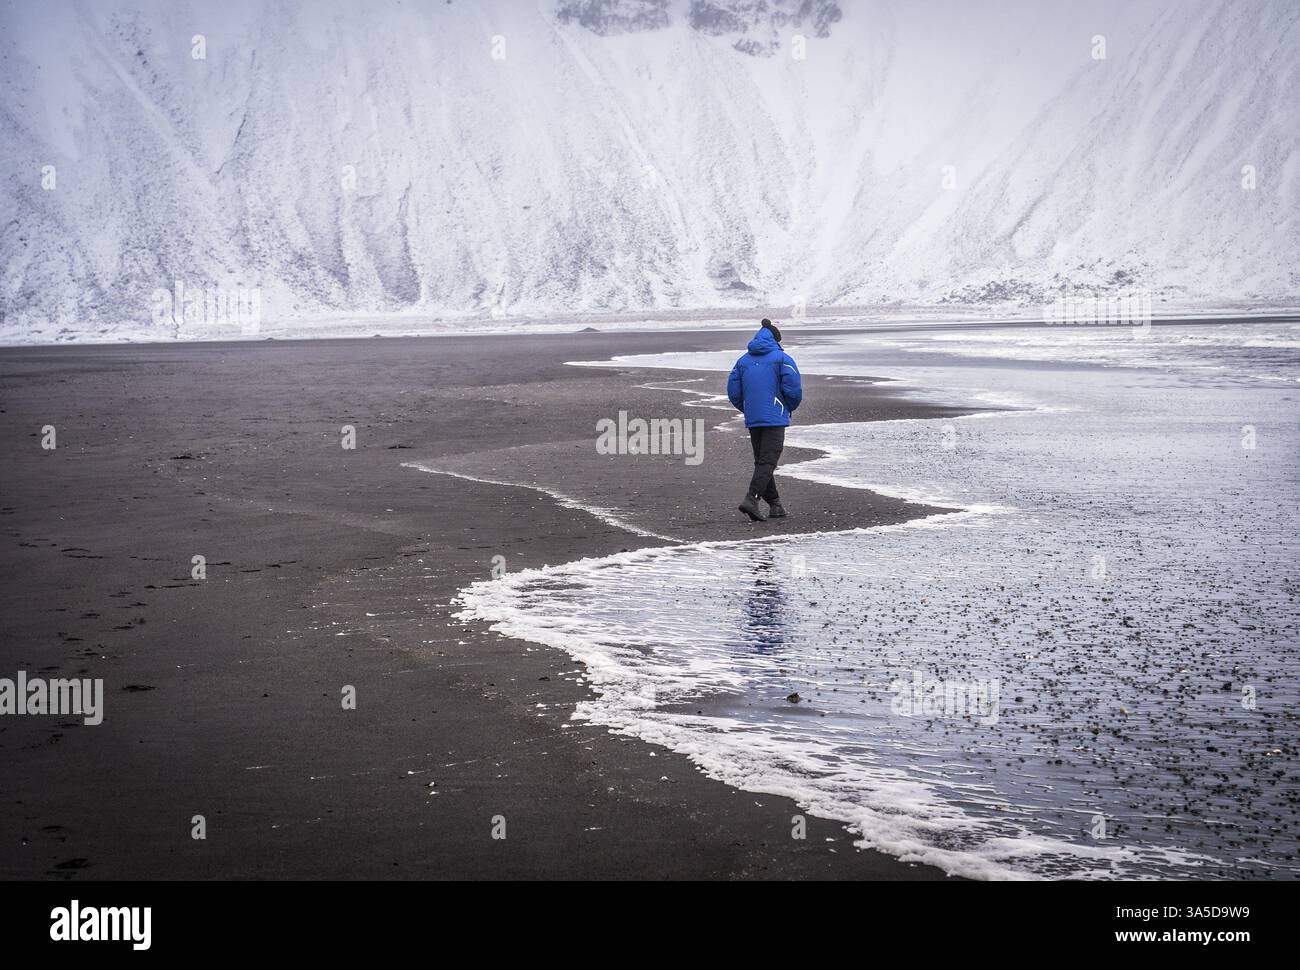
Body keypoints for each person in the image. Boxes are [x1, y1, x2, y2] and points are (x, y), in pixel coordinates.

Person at [726, 319, 802, 521]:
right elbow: (793, 389)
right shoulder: (783, 359)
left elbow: (733, 391)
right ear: (776, 340)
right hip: (774, 416)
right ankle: (752, 499)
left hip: (754, 417)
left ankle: (776, 505)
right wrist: (787, 407)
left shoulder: (742, 361)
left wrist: (748, 408)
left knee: (762, 461)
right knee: (768, 461)